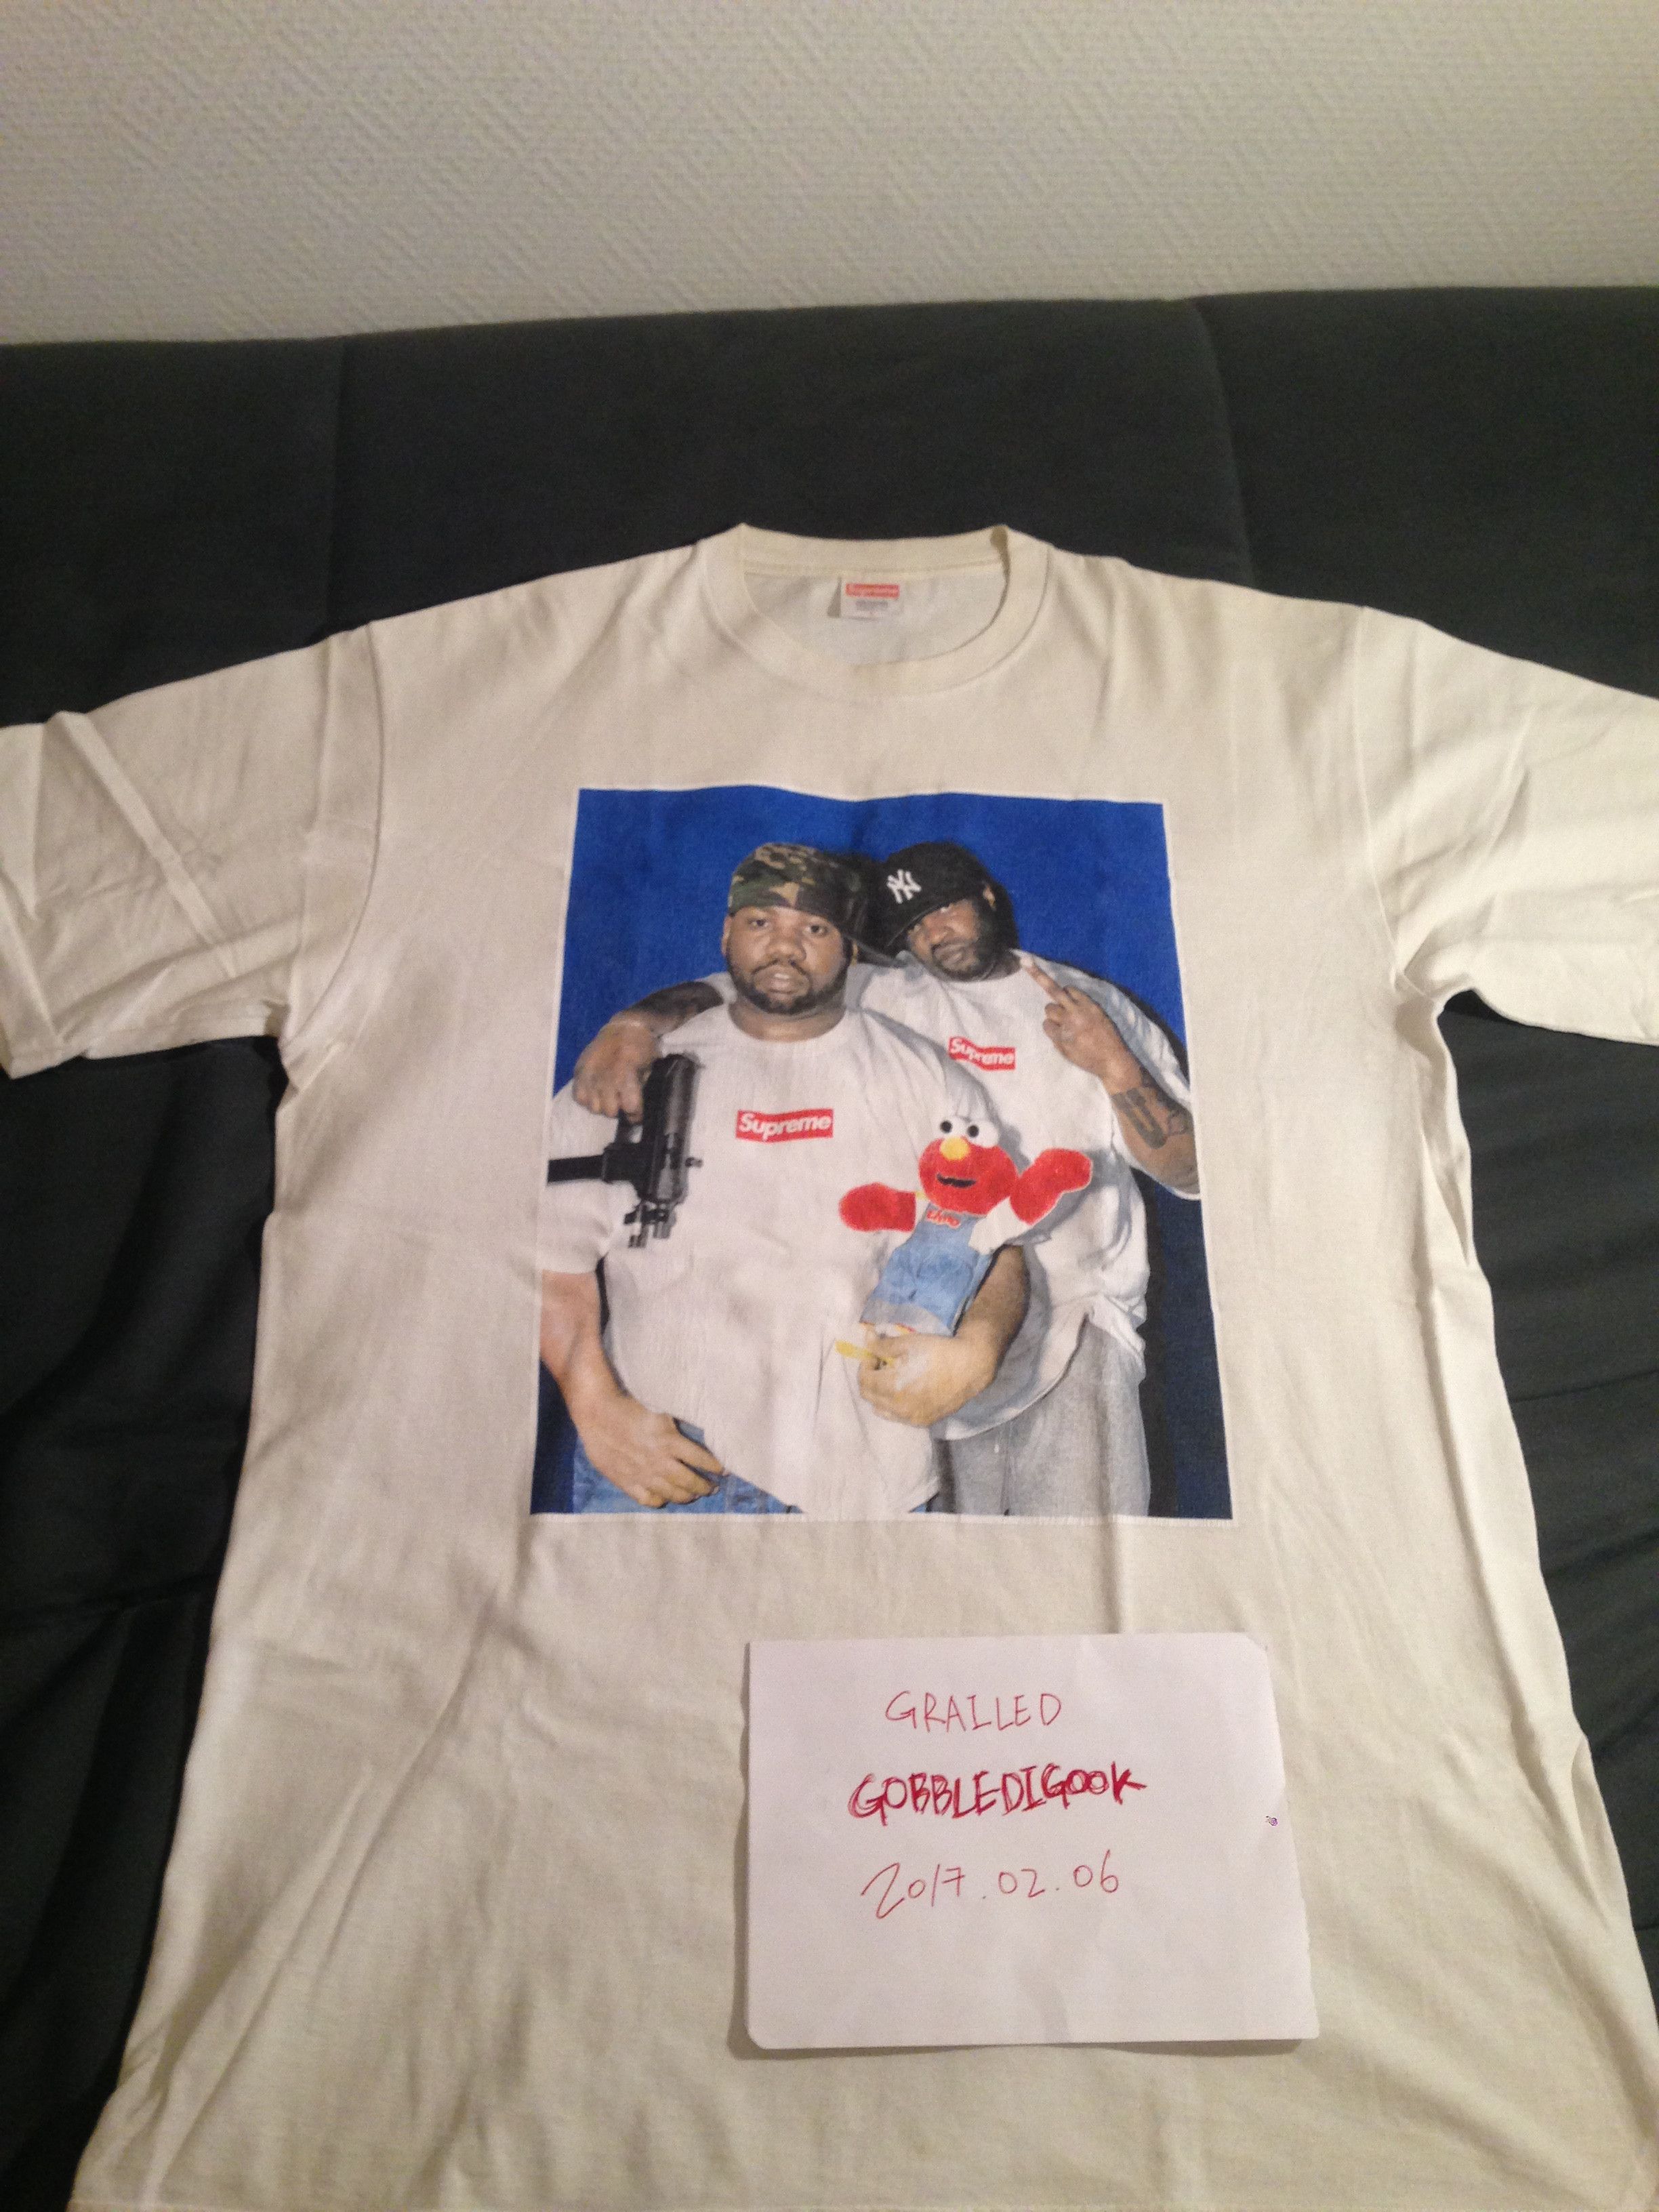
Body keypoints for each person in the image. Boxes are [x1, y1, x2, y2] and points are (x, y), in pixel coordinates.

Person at [572, 840, 1197, 1515]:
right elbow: (754, 985)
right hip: (925, 1329)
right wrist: (634, 1024)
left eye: (946, 909)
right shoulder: (889, 994)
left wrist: (1115, 1065)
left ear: (989, 897)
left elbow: (1190, 1170)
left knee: (1081, 1558)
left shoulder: (1090, 1006)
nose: (936, 934)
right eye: (915, 926)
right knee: (947, 1570)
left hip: (1071, 1321)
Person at [539, 842, 1028, 1518]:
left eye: (815, 929)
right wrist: (597, 1407)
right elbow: (550, 1260)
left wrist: (977, 1350)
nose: (784, 947)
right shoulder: (628, 1080)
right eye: (760, 922)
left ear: (850, 949)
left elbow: (1000, 1244)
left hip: (862, 1478)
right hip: (662, 1459)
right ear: (726, 934)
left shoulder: (923, 1078)